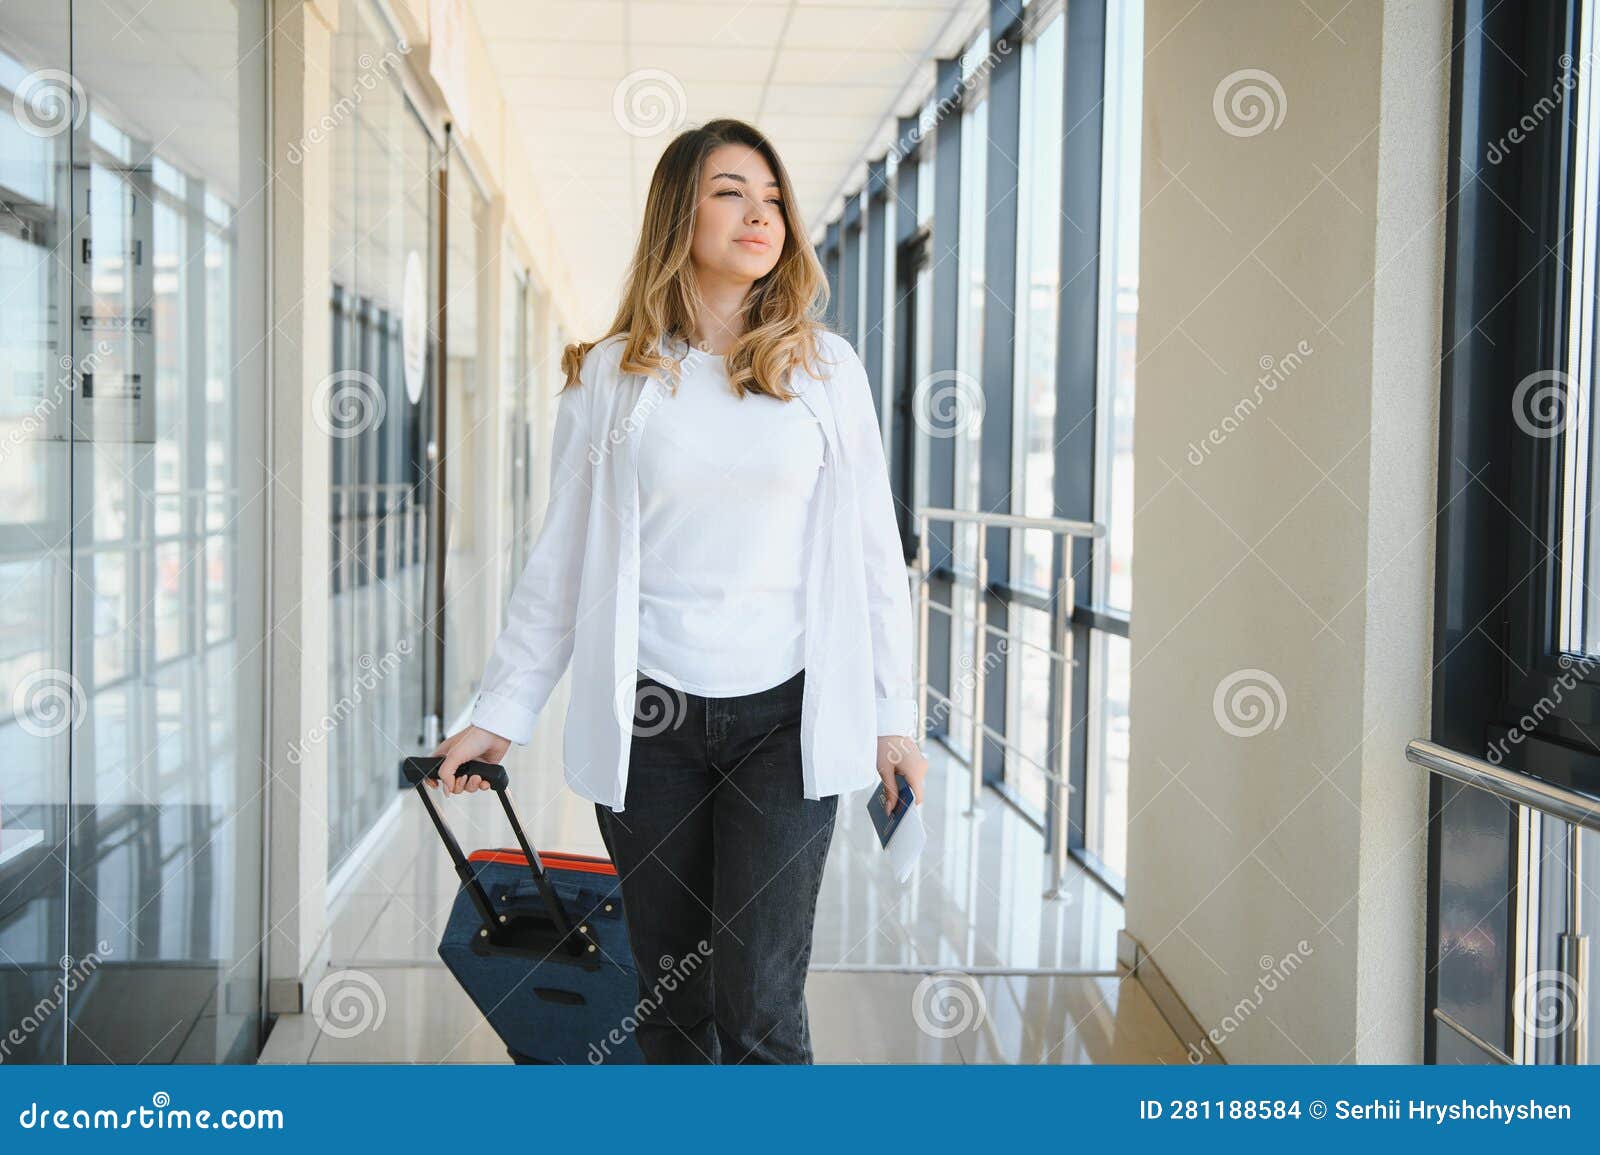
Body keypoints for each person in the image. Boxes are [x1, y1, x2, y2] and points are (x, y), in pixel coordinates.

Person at [429, 117, 928, 1064]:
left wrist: (891, 717)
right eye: (733, 192)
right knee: (668, 997)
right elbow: (561, 560)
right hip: (650, 721)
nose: (761, 214)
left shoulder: (824, 369)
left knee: (762, 1005)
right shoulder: (611, 379)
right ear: (679, 214)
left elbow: (873, 556)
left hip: (787, 717)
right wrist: (501, 709)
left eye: (774, 198)